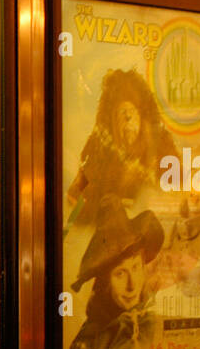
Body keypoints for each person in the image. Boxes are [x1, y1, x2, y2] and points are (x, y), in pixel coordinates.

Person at [65, 68, 179, 235]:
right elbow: (78, 193)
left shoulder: (160, 142)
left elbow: (177, 188)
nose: (128, 119)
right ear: (113, 119)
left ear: (142, 115)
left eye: (132, 112)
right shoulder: (99, 144)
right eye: (122, 113)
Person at [68, 202, 165, 349]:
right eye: (120, 273)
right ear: (104, 284)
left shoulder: (157, 320)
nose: (132, 285)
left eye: (136, 267)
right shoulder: (89, 338)